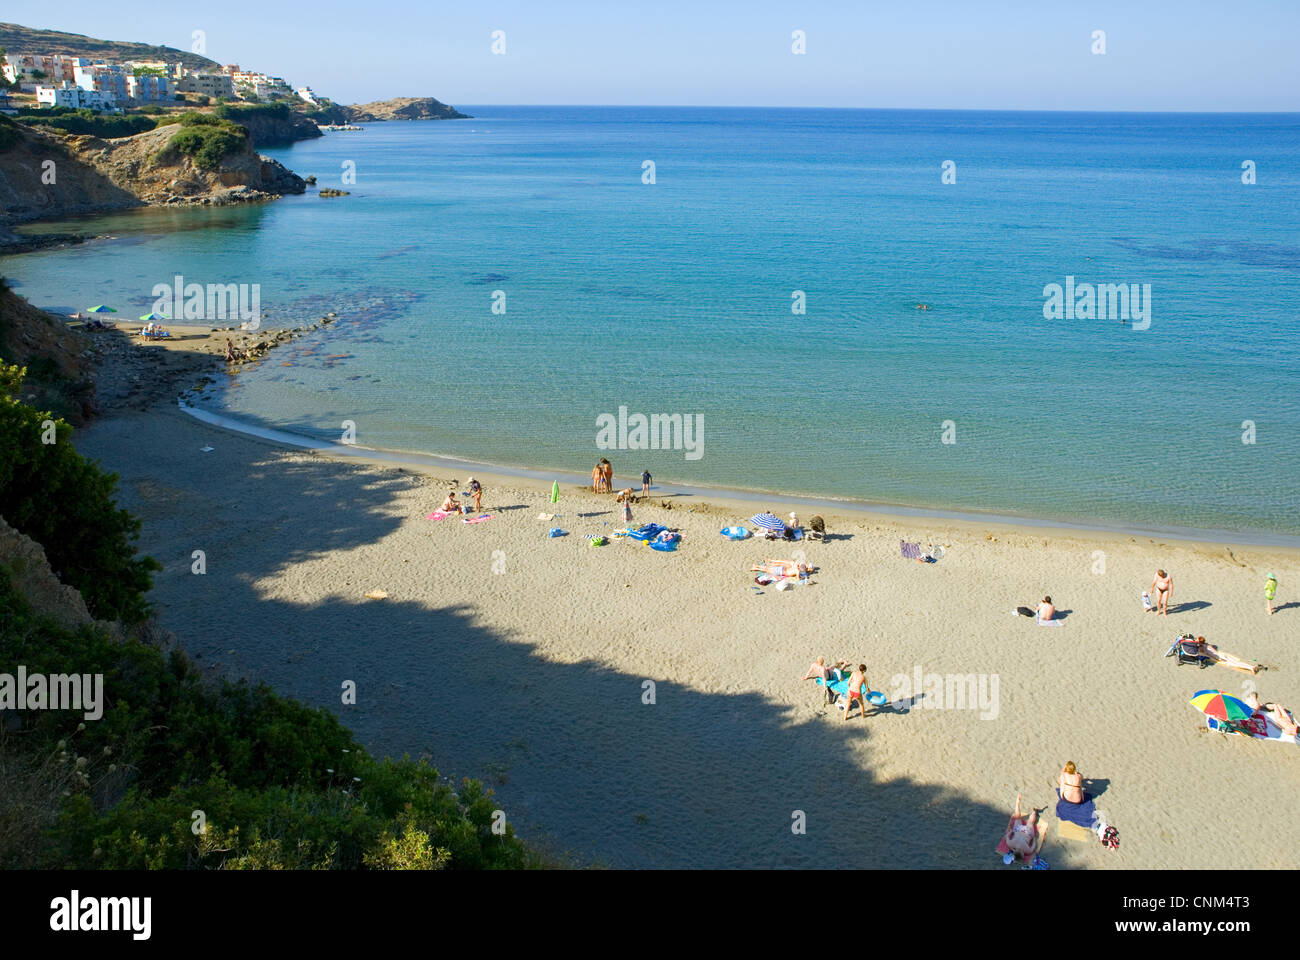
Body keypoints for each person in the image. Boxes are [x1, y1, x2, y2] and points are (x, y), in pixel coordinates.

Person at [1191, 636, 1260, 674]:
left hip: (1219, 657)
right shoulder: (1207, 644)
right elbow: (1214, 651)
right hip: (1221, 654)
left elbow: (1207, 654)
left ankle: (1251, 668)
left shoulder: (1202, 647)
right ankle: (1251, 667)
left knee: (1235, 664)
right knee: (1237, 662)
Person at [1004, 794, 1040, 862]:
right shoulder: (1010, 844)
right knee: (1017, 818)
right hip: (1018, 830)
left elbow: (1033, 847)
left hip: (1027, 833)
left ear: (1022, 854)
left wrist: (1034, 838)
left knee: (1030, 822)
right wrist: (1011, 831)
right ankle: (1017, 804)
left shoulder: (1027, 851)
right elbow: (1007, 836)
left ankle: (1034, 811)